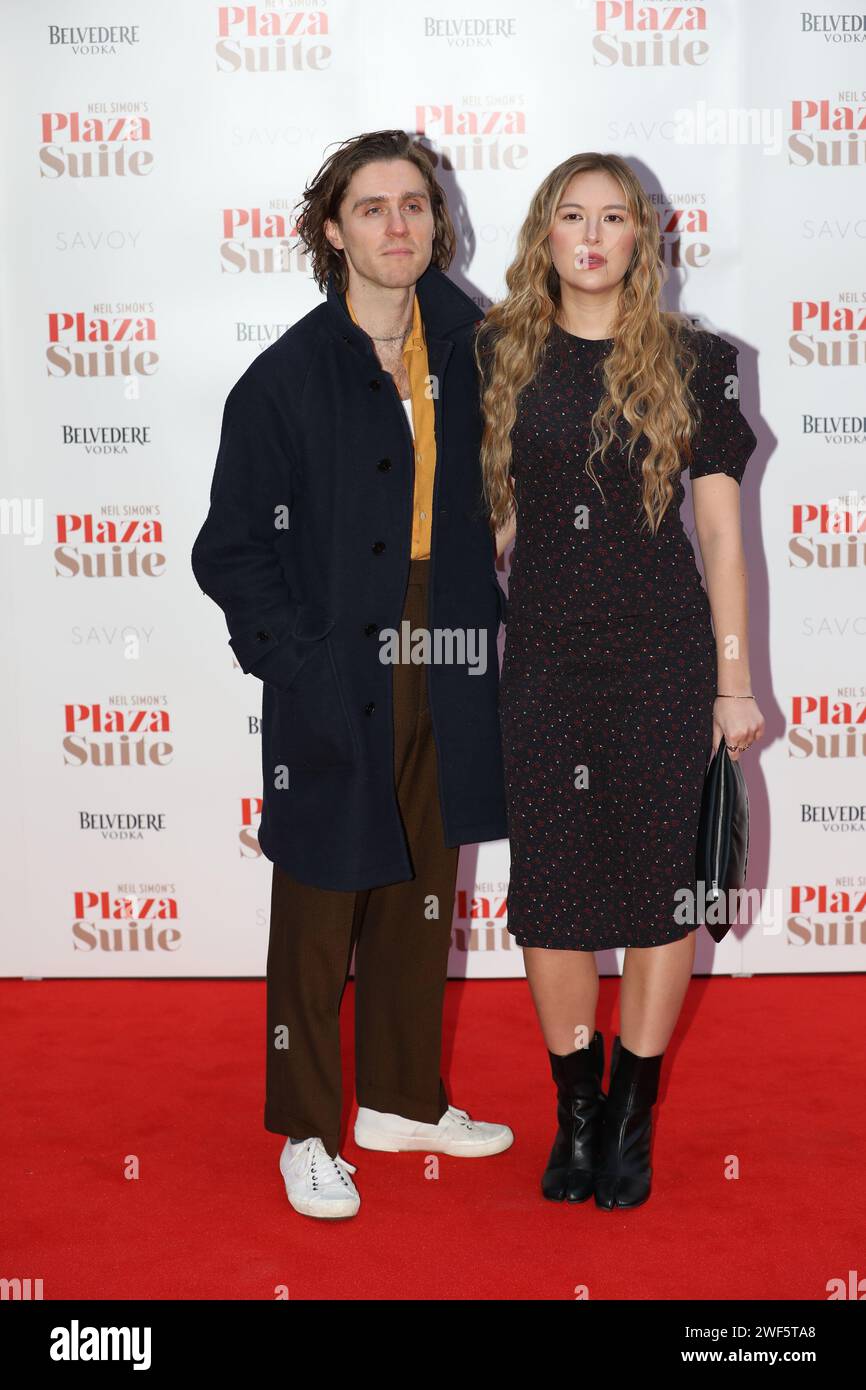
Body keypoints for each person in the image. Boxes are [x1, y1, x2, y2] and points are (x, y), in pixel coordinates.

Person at [191, 130, 513, 1221]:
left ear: (436, 221)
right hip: (336, 652)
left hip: (450, 642)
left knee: (426, 880)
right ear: (332, 231)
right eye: (371, 208)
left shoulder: (476, 342)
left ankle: (402, 1099)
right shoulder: (283, 377)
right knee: (322, 897)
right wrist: (299, 660)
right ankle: (308, 1128)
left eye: (413, 205)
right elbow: (227, 547)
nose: (397, 226)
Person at [476, 152, 764, 1210]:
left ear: (642, 239)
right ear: (542, 233)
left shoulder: (700, 362)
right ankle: (576, 1109)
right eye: (571, 215)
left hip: (660, 654)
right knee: (549, 898)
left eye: (613, 218)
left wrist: (731, 685)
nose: (591, 235)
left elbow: (723, 541)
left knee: (658, 892)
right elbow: (495, 523)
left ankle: (632, 1113)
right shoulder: (498, 350)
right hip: (545, 657)